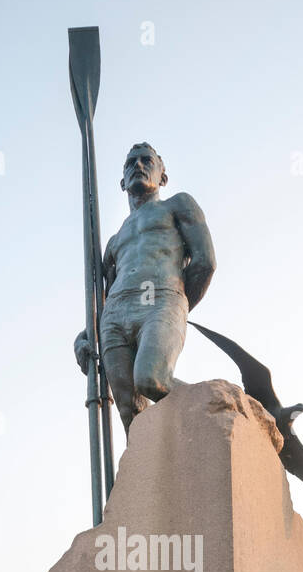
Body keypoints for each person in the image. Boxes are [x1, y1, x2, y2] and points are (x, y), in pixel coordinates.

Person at [74, 143, 216, 434]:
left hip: (161, 299)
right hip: (115, 315)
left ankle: (219, 408)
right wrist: (88, 335)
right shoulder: (113, 242)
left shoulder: (178, 205)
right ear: (122, 182)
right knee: (132, 413)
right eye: (130, 163)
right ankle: (155, 475)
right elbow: (101, 296)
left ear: (162, 177)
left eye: (146, 161)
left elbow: (205, 262)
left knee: (151, 378)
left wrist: (176, 305)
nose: (138, 165)